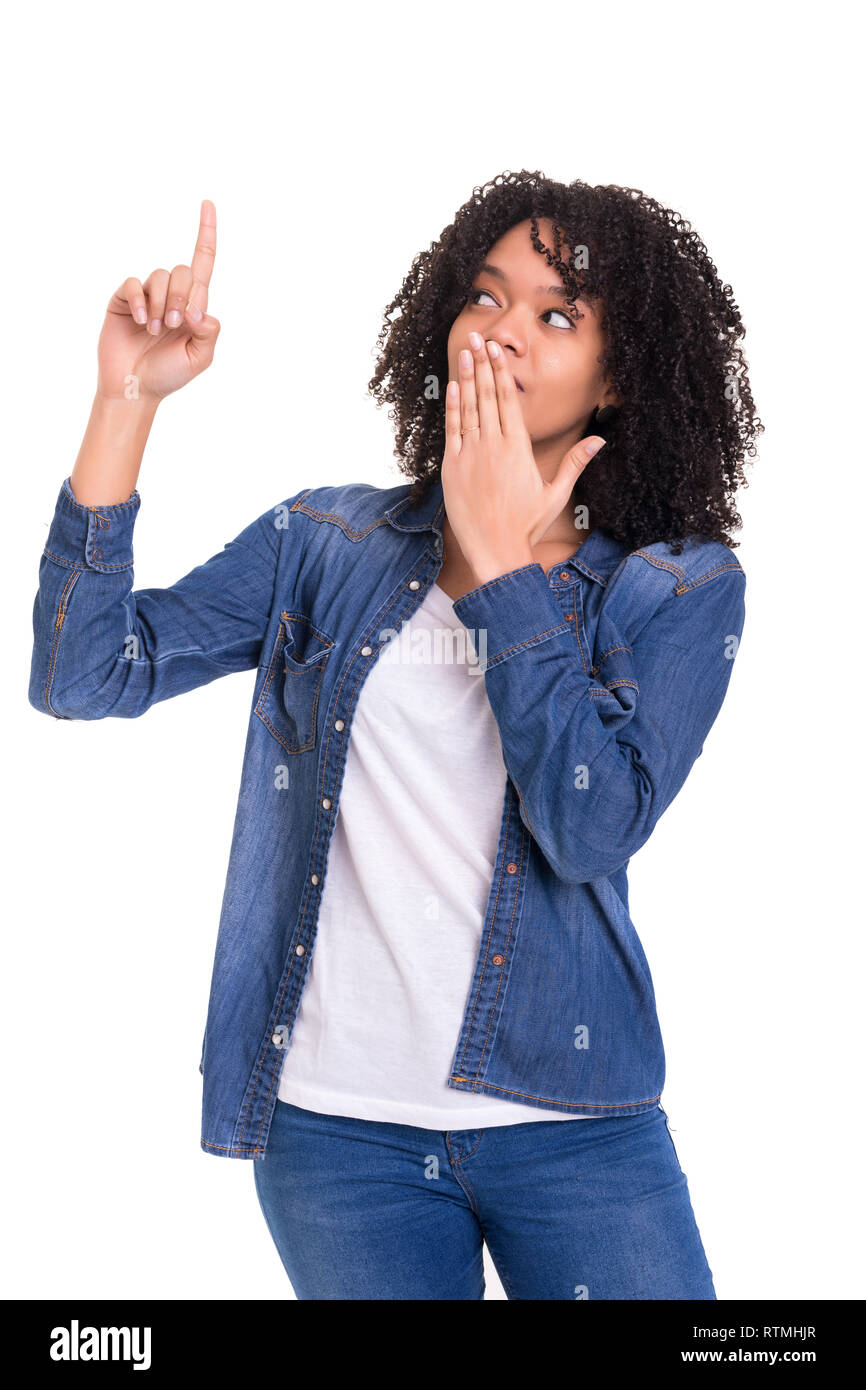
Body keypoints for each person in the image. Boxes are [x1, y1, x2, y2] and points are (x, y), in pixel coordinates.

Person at [28, 172, 759, 1300]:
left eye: (555, 314)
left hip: (571, 1129)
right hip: (335, 1136)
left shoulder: (674, 587)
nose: (502, 331)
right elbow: (86, 676)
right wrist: (126, 401)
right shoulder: (325, 541)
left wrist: (503, 566)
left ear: (616, 377)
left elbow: (589, 823)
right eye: (485, 297)